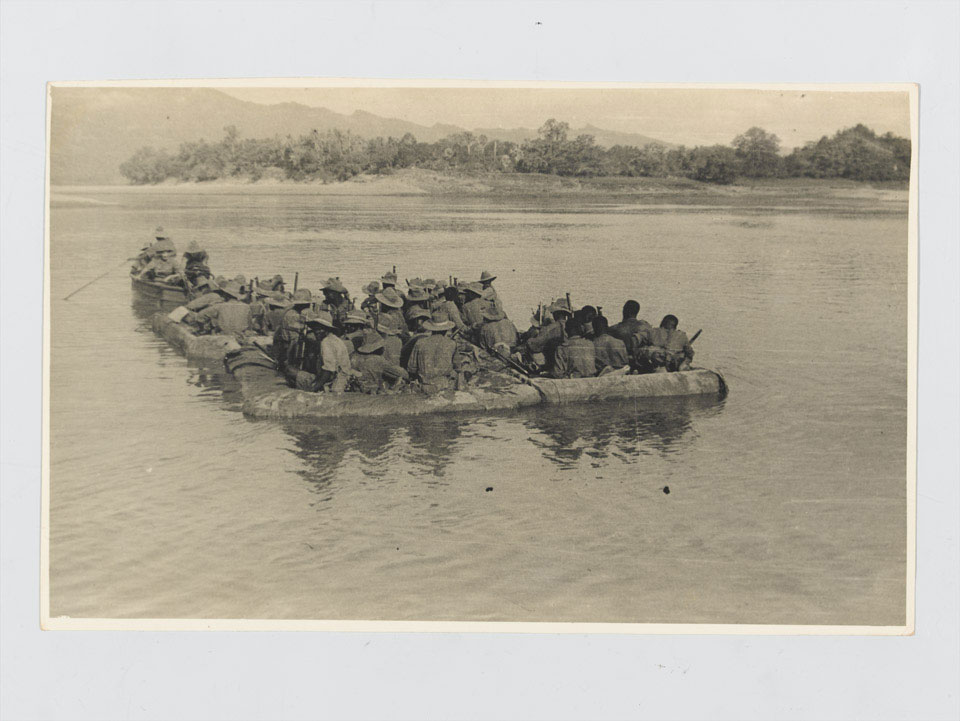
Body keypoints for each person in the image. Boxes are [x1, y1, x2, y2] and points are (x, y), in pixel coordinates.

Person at [407, 318, 461, 393]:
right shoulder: (452, 343)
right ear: (446, 329)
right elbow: (458, 367)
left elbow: (411, 368)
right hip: (444, 386)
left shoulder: (420, 342)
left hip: (424, 385)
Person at [523, 298, 572, 371]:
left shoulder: (550, 328)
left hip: (556, 366)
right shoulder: (572, 327)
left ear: (556, 313)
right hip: (571, 366)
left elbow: (535, 345)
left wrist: (529, 341)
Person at [272, 288, 313, 372]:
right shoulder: (292, 314)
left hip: (290, 346)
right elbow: (299, 331)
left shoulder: (294, 313)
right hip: (290, 348)